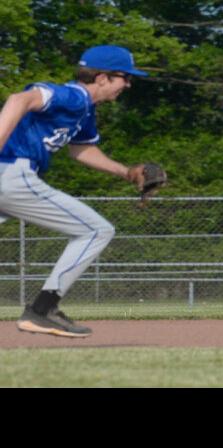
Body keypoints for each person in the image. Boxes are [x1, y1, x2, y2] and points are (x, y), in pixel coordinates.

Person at [0, 45, 151, 338]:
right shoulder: (73, 96)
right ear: (102, 78)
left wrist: (127, 173)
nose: (128, 84)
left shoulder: (84, 110)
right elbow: (20, 99)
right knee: (96, 230)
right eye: (125, 77)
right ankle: (42, 311)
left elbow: (81, 149)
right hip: (11, 173)